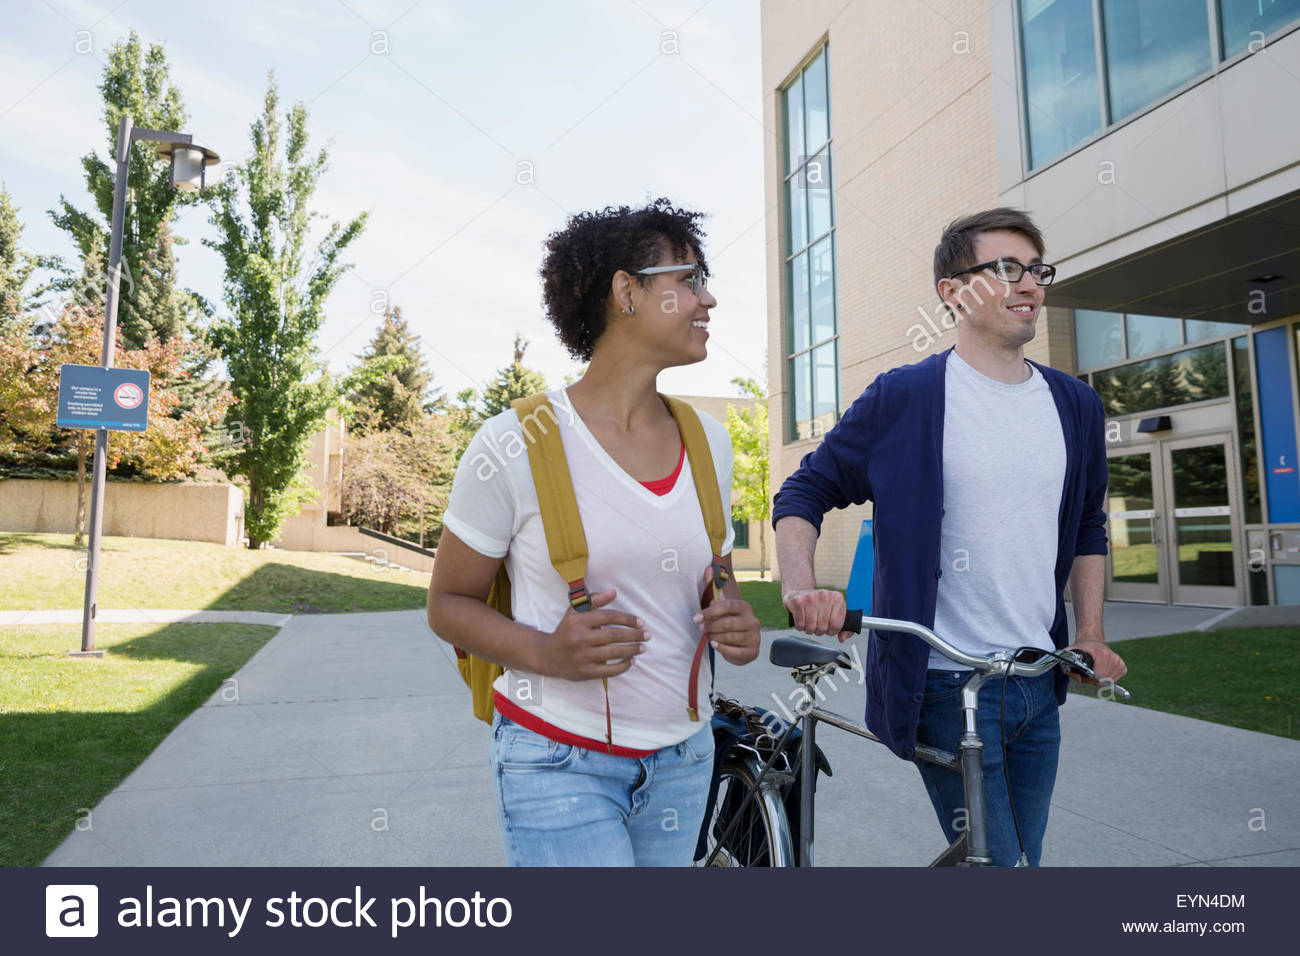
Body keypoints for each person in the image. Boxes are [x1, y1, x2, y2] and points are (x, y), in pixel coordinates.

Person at [772, 207, 1127, 867]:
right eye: (1006, 270)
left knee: (1018, 862)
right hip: (943, 684)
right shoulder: (906, 397)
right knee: (1003, 874)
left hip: (1036, 682)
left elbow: (1087, 527)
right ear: (953, 291)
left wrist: (1092, 635)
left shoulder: (1073, 404)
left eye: (1037, 271)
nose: (1030, 286)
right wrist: (801, 585)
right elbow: (803, 493)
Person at [427, 198, 761, 866]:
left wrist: (736, 619)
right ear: (626, 292)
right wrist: (547, 653)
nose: (710, 299)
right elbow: (448, 604)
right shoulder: (517, 441)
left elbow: (712, 578)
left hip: (685, 757)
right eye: (689, 279)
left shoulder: (711, 444)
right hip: (558, 760)